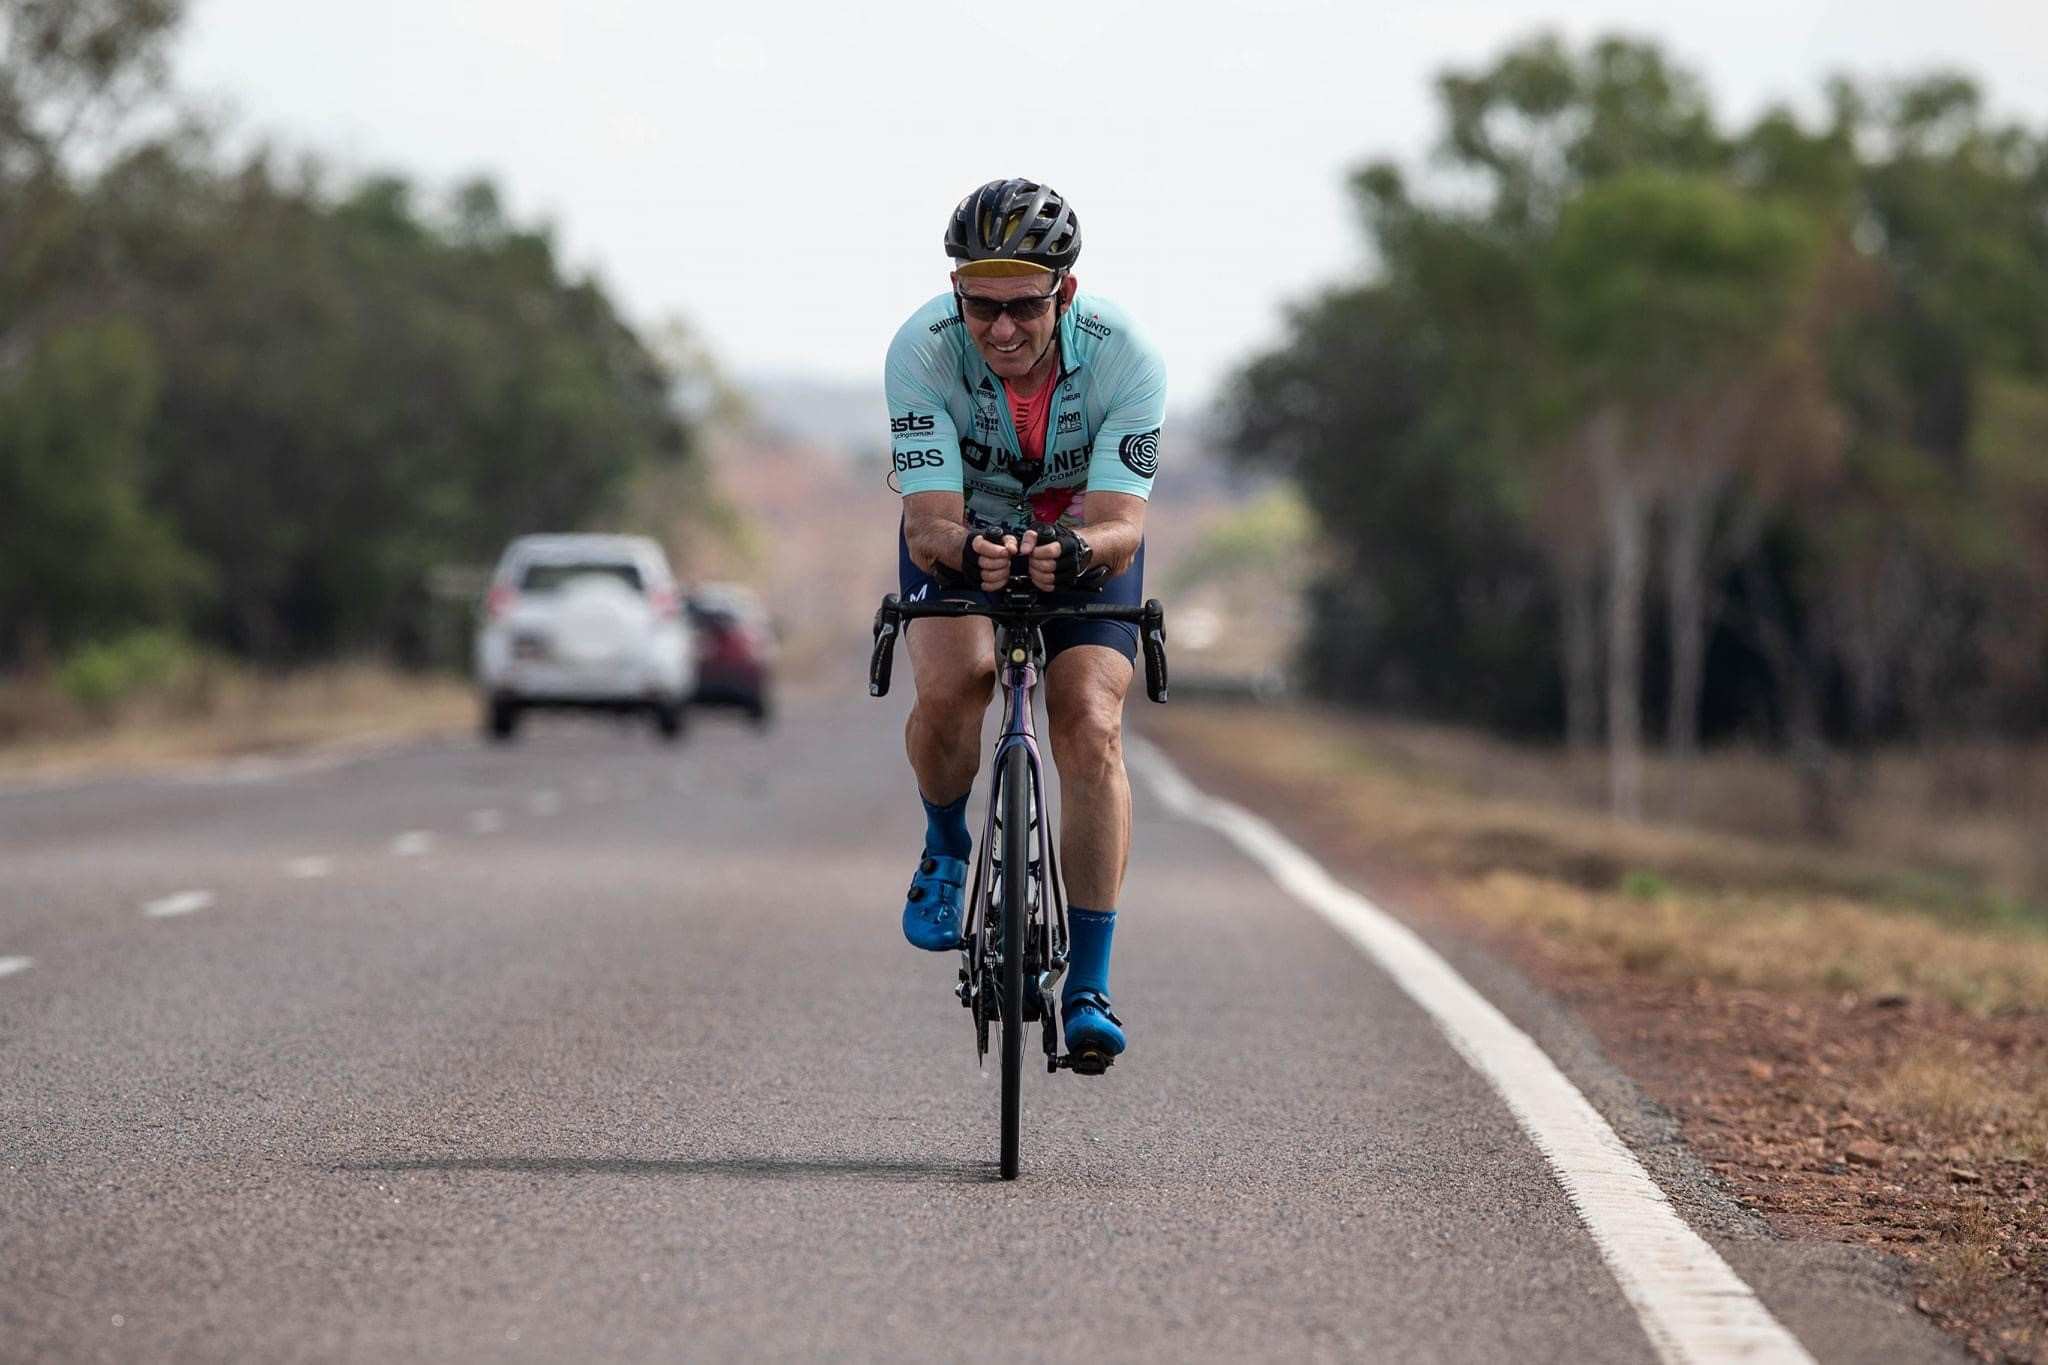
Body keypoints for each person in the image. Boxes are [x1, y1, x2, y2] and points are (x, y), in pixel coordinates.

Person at [884, 177, 1165, 1067]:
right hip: (960, 535)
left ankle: (1089, 983)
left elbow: (1124, 523)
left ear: (1064, 294)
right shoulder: (921, 350)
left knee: (1090, 723)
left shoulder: (1127, 357)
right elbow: (928, 523)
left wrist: (1076, 554)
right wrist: (970, 551)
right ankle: (944, 844)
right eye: (980, 307)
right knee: (957, 680)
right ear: (956, 293)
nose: (1001, 330)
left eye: (1023, 308)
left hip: (1084, 544)